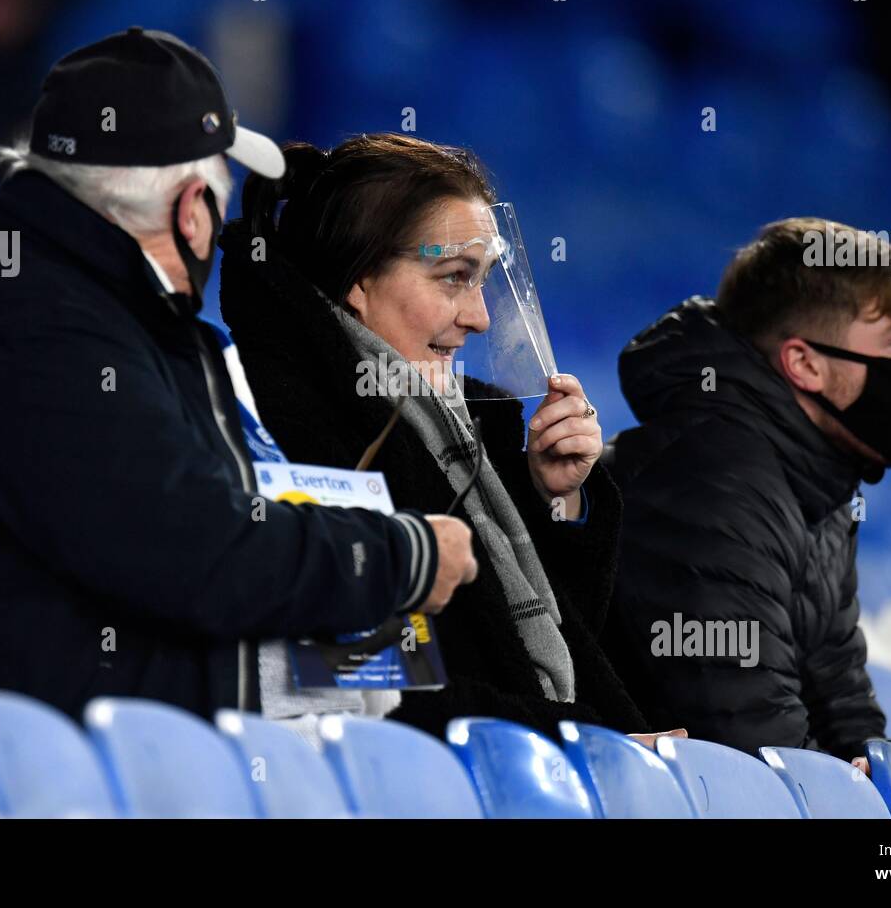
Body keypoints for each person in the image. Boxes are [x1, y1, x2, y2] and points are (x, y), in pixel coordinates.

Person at [0, 29, 477, 721]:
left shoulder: (69, 300)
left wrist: (366, 648)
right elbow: (203, 555)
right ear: (192, 211)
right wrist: (405, 557)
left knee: (412, 707)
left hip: (125, 723)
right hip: (81, 762)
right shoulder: (38, 327)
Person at [218, 133, 668, 744]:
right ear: (361, 278)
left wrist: (554, 499)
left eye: (483, 280)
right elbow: (372, 707)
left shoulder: (474, 425)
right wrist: (588, 741)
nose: (480, 316)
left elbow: (550, 652)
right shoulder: (290, 430)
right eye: (454, 277)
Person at [601, 218, 891, 769]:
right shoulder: (712, 480)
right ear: (804, 363)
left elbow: (845, 709)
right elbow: (753, 748)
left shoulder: (815, 480)